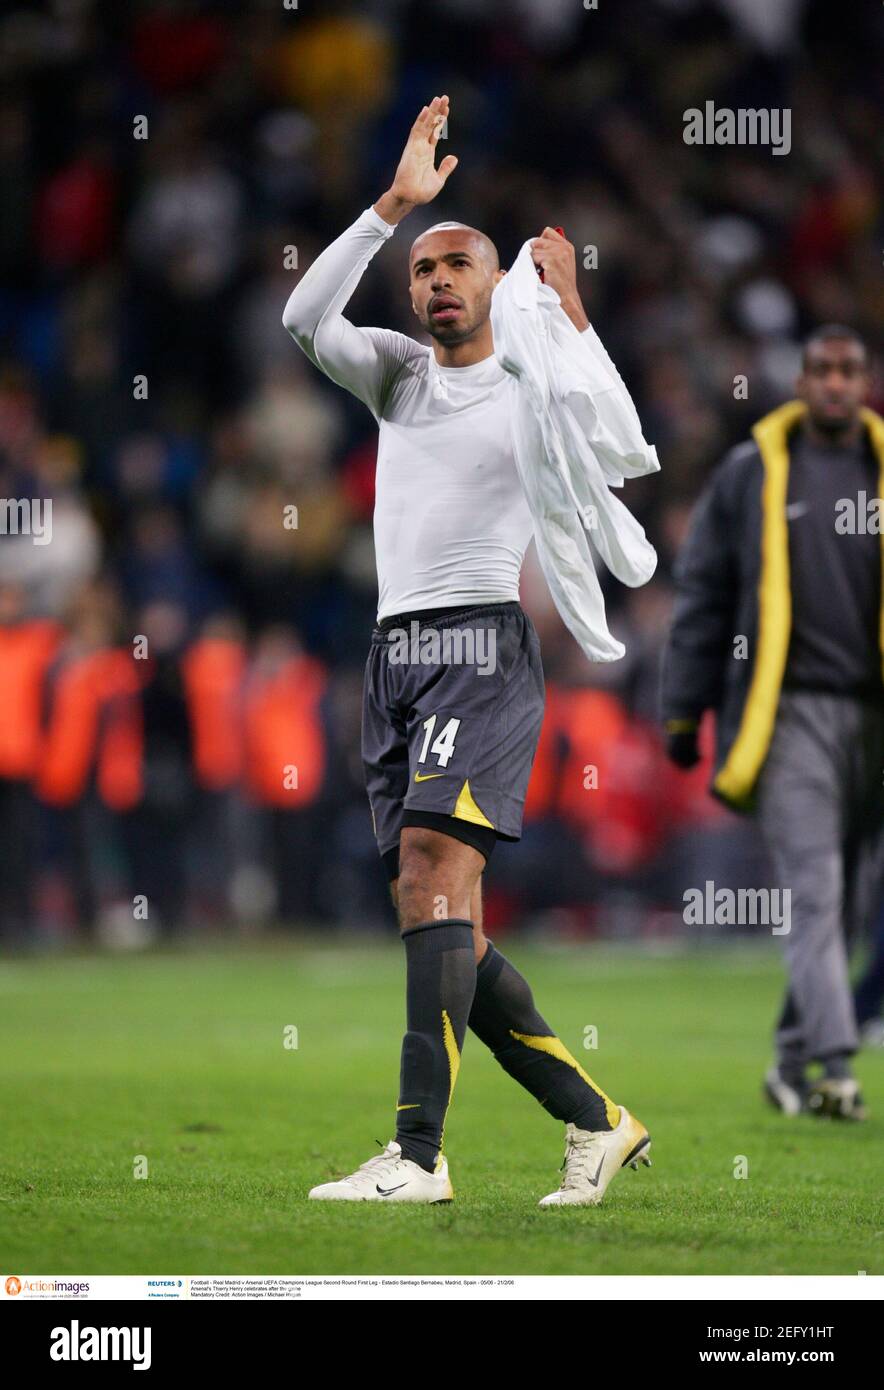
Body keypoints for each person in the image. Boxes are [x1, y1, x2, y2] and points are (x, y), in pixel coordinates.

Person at [282, 96, 654, 1204]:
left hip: (479, 649)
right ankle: (597, 1122)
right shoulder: (397, 376)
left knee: (434, 881)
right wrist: (393, 203)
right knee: (432, 907)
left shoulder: (526, 383)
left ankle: (416, 1153)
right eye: (423, 269)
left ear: (497, 285)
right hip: (392, 655)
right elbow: (304, 320)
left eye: (457, 265)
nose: (437, 280)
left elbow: (614, 440)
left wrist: (575, 315)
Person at [662, 326, 884, 1120]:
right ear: (799, 380)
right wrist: (684, 709)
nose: (833, 384)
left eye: (848, 371)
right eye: (821, 370)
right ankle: (834, 1068)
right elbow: (703, 597)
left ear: (865, 380)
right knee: (818, 893)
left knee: (856, 904)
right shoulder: (750, 472)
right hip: (783, 713)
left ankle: (791, 1061)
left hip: (873, 719)